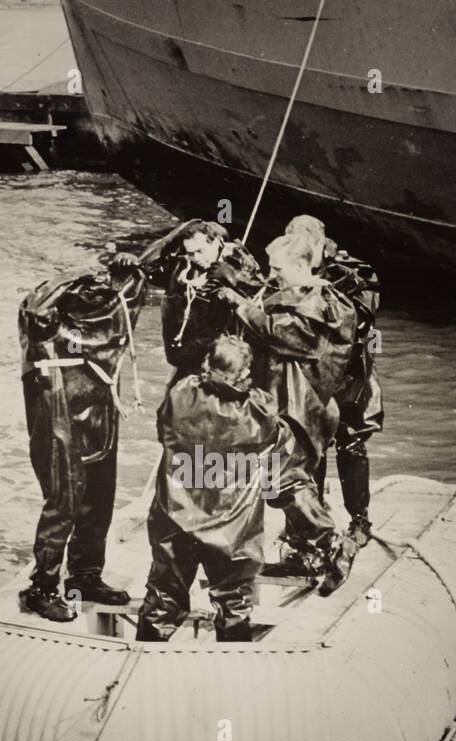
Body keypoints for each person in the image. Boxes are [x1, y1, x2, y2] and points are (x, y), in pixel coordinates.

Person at [137, 334, 337, 643]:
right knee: (233, 607)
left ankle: (144, 663)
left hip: (175, 525)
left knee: (162, 601)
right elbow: (289, 441)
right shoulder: (258, 414)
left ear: (207, 365)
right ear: (245, 376)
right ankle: (233, 671)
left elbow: (168, 414)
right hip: (232, 534)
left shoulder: (179, 397)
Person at [214, 230, 358, 585]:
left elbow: (290, 338)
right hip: (296, 404)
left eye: (278, 268)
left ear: (300, 264)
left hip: (302, 408)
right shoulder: (306, 296)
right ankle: (305, 555)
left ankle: (333, 543)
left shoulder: (319, 304)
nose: (272, 273)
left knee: (283, 480)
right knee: (284, 479)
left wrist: (241, 306)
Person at [17, 251, 146, 622]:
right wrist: (75, 272)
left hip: (96, 412)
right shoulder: (45, 323)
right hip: (58, 412)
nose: (101, 289)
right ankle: (41, 587)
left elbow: (138, 282)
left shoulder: (107, 316)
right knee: (64, 499)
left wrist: (125, 266)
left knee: (99, 494)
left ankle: (86, 575)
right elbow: (37, 308)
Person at [283, 215, 384, 545]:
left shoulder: (354, 272)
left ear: (317, 243)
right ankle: (316, 517)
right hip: (312, 376)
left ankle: (359, 520)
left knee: (351, 442)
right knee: (311, 448)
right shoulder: (290, 271)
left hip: (351, 374)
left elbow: (360, 319)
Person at [142, 218, 263, 376]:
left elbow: (259, 305)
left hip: (222, 364)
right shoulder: (184, 267)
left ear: (217, 243)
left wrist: (235, 281)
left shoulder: (241, 267)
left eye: (200, 251)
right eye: (190, 253)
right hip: (186, 357)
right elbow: (147, 266)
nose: (196, 258)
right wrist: (174, 236)